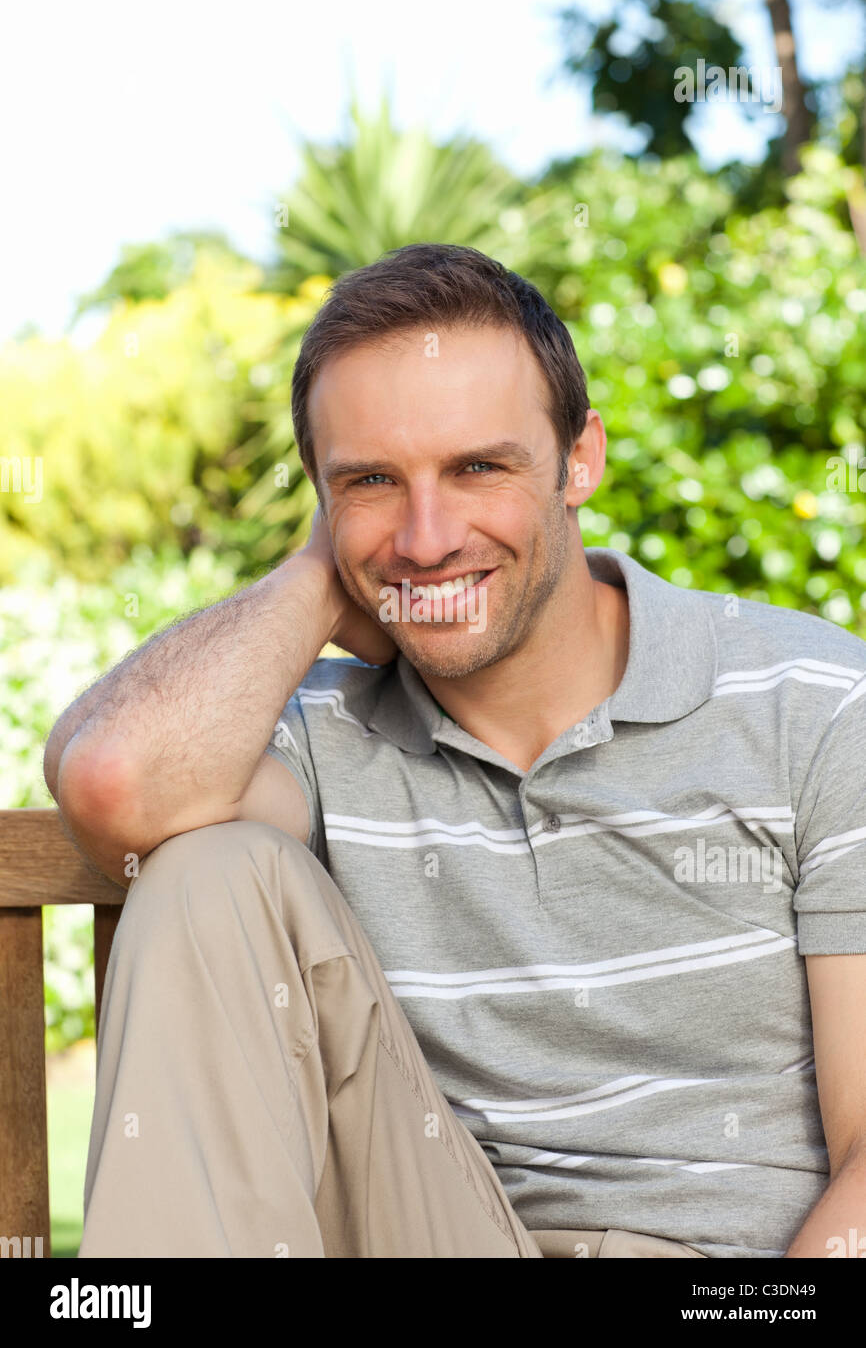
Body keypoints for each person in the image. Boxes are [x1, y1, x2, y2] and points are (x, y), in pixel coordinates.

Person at [45, 243, 866, 1259]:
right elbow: (117, 783)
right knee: (207, 865)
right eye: (372, 479)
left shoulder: (814, 702)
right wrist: (321, 570)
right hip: (436, 1235)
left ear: (579, 459)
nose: (426, 537)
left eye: (476, 466)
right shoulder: (316, 730)